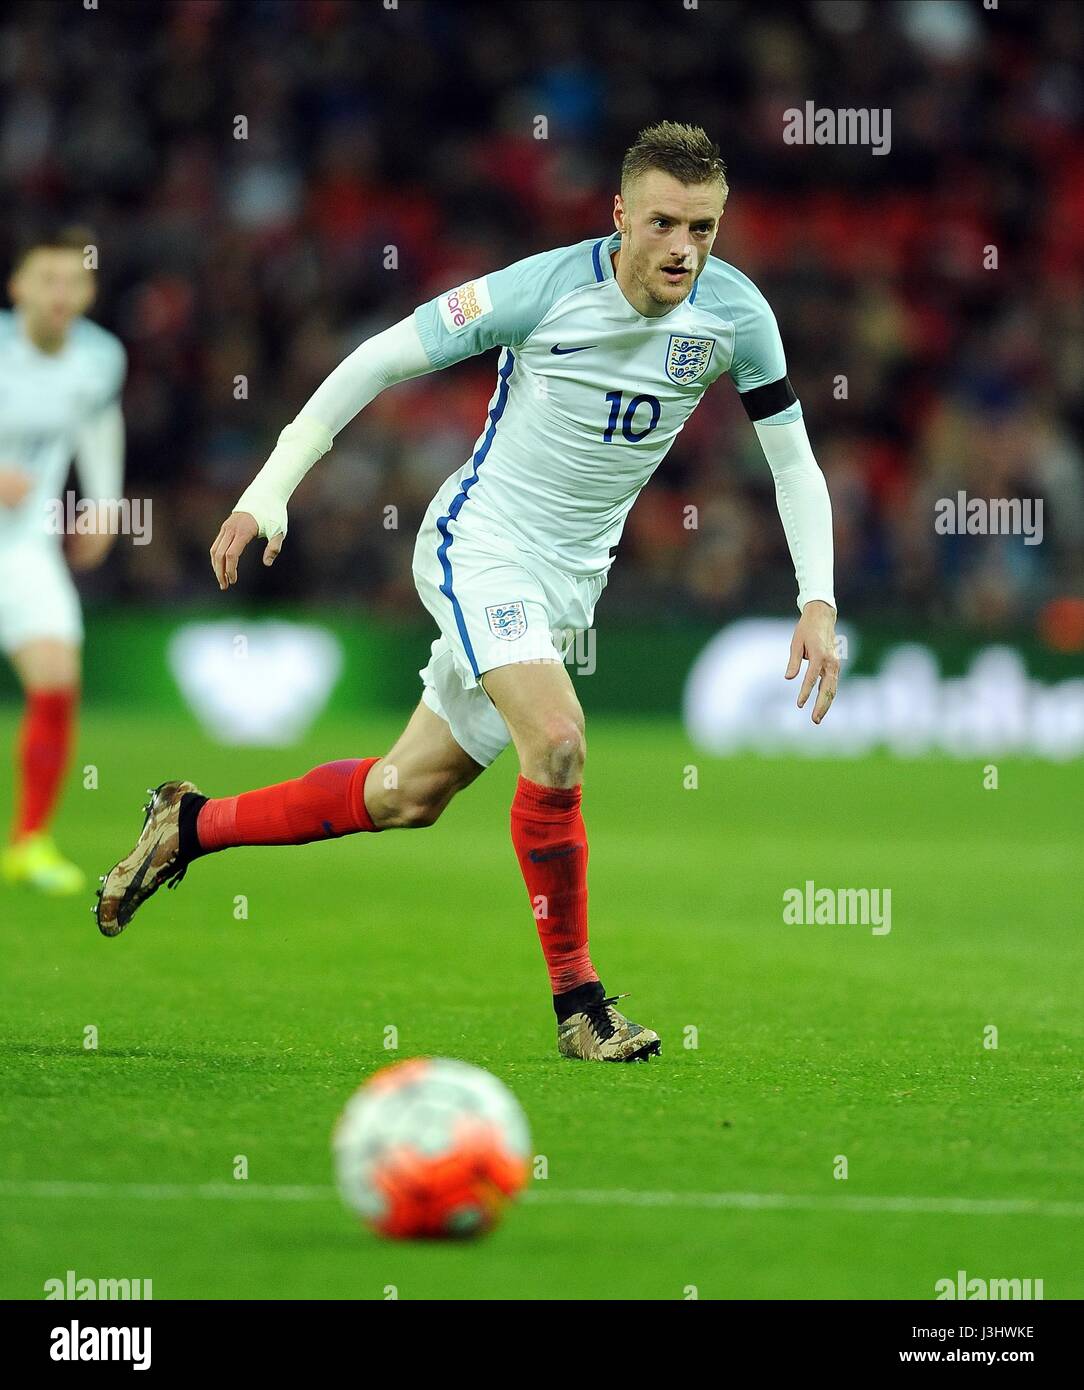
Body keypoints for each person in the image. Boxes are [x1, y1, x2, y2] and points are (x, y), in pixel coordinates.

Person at [96, 123, 839, 1062]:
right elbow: (380, 357)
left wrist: (819, 600)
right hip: (482, 544)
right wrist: (270, 487)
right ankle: (581, 1005)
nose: (685, 249)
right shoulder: (540, 289)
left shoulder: (738, 317)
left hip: (570, 585)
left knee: (406, 793)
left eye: (704, 228)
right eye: (663, 224)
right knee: (559, 740)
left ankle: (189, 825)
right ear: (619, 216)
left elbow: (793, 460)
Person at [1, 227, 126, 895]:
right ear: (18, 286)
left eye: (74, 281)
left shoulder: (100, 357)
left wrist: (105, 503)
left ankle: (29, 840)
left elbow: (97, 423)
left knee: (57, 675)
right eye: (47, 278)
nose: (61, 293)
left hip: (20, 549)